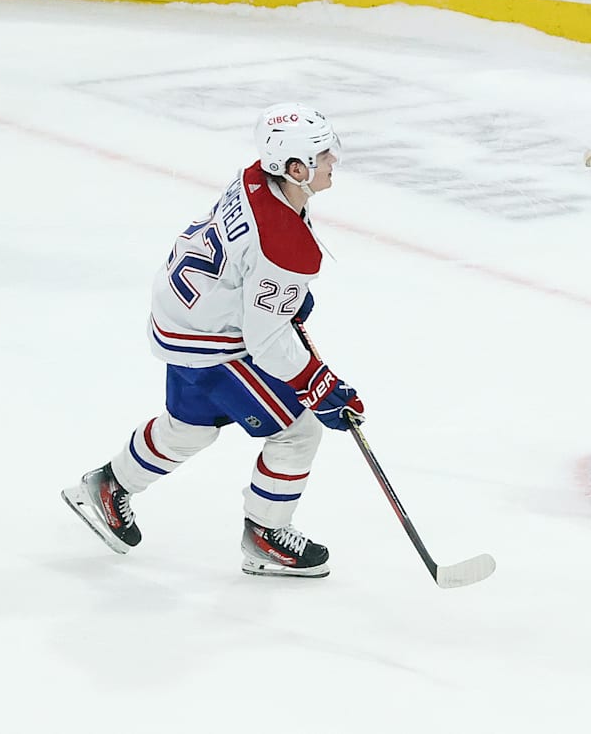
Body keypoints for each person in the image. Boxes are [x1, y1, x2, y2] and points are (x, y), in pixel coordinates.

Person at [61, 103, 365, 579]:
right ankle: (266, 536)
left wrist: (276, 298)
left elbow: (249, 265)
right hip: (212, 341)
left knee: (189, 426)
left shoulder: (255, 178)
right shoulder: (285, 243)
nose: (333, 162)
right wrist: (319, 385)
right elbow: (264, 341)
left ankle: (106, 486)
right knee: (298, 429)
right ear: (294, 168)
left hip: (180, 314)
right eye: (323, 155)